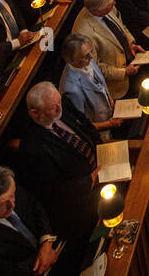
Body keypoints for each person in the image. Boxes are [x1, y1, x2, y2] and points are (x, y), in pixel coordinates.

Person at [16, 81, 99, 244]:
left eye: (59, 102)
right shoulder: (32, 147)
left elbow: (85, 125)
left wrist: (102, 147)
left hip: (100, 165)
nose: (60, 109)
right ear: (34, 113)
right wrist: (90, 179)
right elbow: (54, 189)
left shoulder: (61, 106)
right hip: (83, 201)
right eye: (53, 108)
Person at [72, 0, 142, 100]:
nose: (114, 3)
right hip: (118, 84)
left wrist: (130, 42)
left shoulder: (107, 6)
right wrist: (124, 72)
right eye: (110, 4)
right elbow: (94, 68)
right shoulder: (84, 36)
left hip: (130, 60)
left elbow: (120, 25)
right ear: (98, 11)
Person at [58, 34, 118, 128]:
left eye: (91, 52)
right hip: (100, 129)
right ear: (72, 60)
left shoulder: (86, 60)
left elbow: (101, 84)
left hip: (110, 114)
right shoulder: (71, 89)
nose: (91, 57)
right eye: (86, 56)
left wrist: (109, 98)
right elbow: (81, 125)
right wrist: (108, 124)